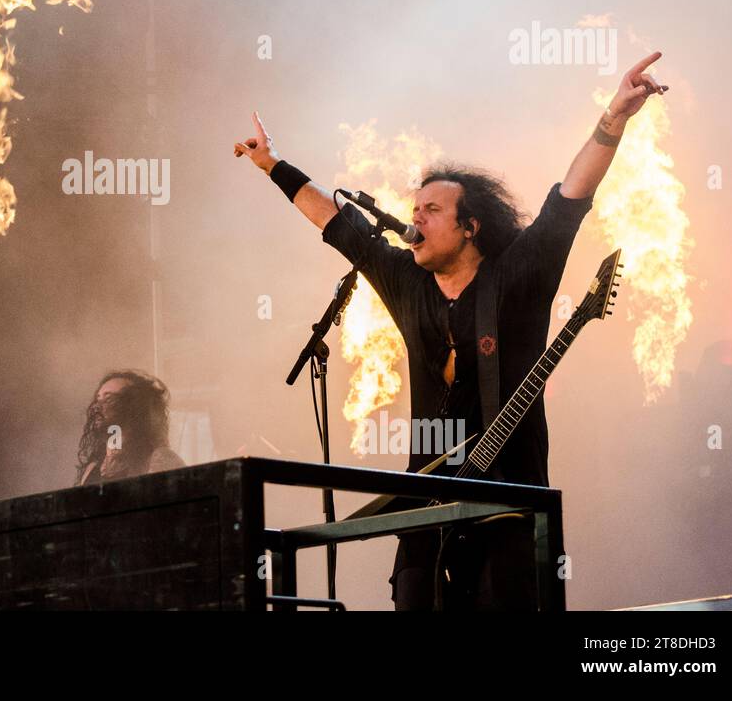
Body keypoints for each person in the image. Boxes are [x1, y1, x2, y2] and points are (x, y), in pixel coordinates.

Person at [233, 52, 668, 609]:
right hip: (425, 513)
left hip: (507, 508)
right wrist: (274, 166)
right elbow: (336, 223)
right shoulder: (407, 283)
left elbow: (567, 203)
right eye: (414, 209)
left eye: (432, 210)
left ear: (470, 227)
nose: (415, 220)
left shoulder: (517, 278)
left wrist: (613, 119)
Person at [75, 370, 186, 486]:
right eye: (98, 399)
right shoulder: (93, 469)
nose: (98, 406)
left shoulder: (159, 458)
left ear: (133, 405)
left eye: (109, 398)